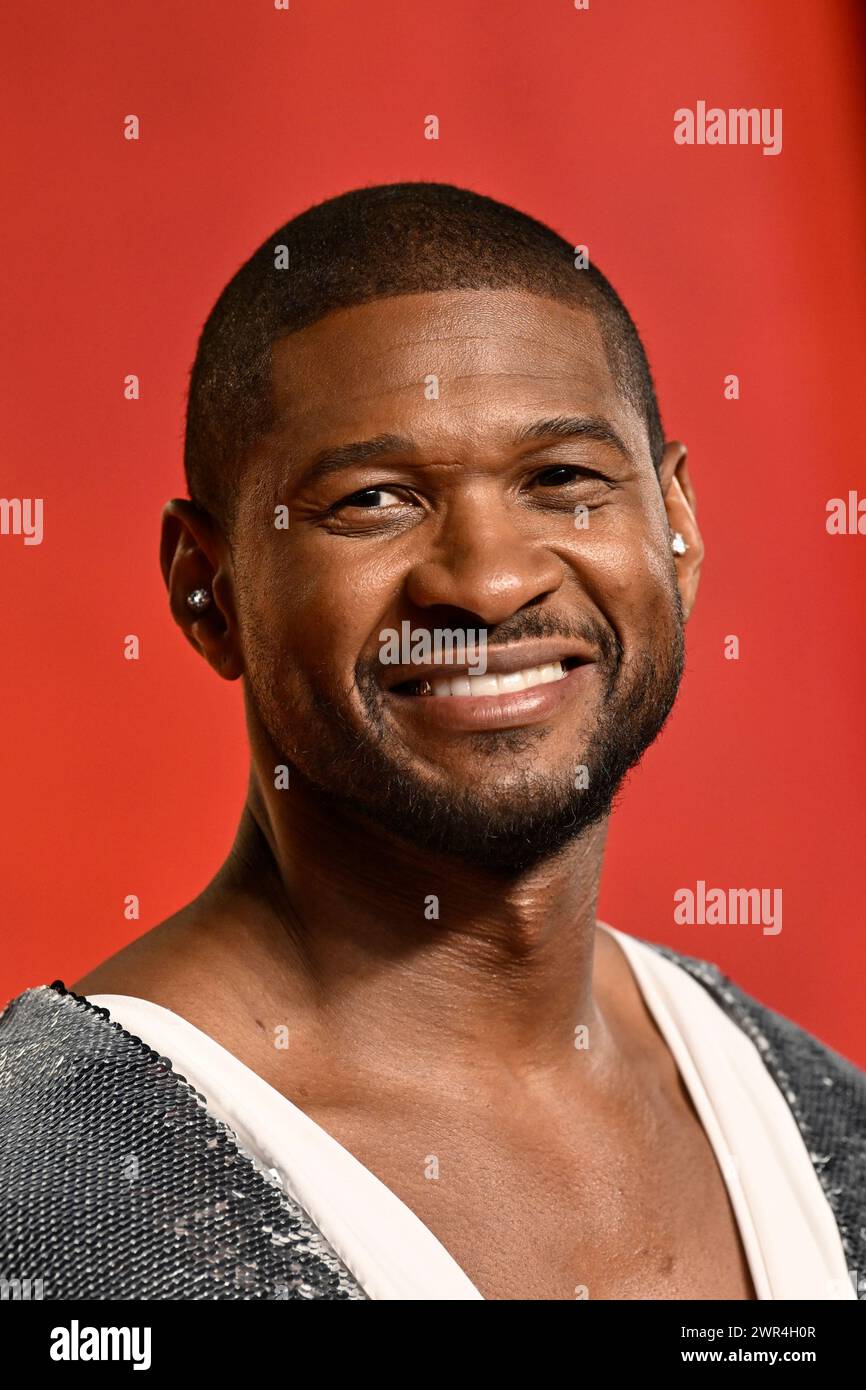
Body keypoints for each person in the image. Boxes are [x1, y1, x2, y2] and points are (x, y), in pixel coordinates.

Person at [1, 182, 863, 1301]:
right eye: (373, 499)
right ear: (205, 591)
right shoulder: (46, 1203)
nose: (490, 581)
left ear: (676, 525)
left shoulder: (818, 1123)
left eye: (560, 479)